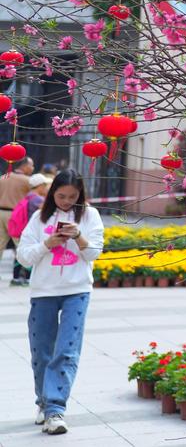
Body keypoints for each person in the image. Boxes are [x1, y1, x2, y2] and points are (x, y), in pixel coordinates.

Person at [17, 169, 104, 435]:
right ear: (52, 192)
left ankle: (55, 409)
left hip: (77, 291)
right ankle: (43, 403)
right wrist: (48, 243)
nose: (66, 201)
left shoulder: (90, 215)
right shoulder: (39, 217)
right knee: (42, 352)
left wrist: (78, 236)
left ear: (81, 195)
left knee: (66, 350)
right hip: (43, 292)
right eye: (61, 195)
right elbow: (23, 257)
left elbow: (93, 254)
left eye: (72, 196)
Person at [2, 155, 35, 282]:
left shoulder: (3, 177)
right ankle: (22, 275)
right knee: (20, 244)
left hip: (0, 213)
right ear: (25, 166)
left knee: (0, 244)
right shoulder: (28, 181)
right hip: (16, 216)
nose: (32, 168)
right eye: (31, 165)